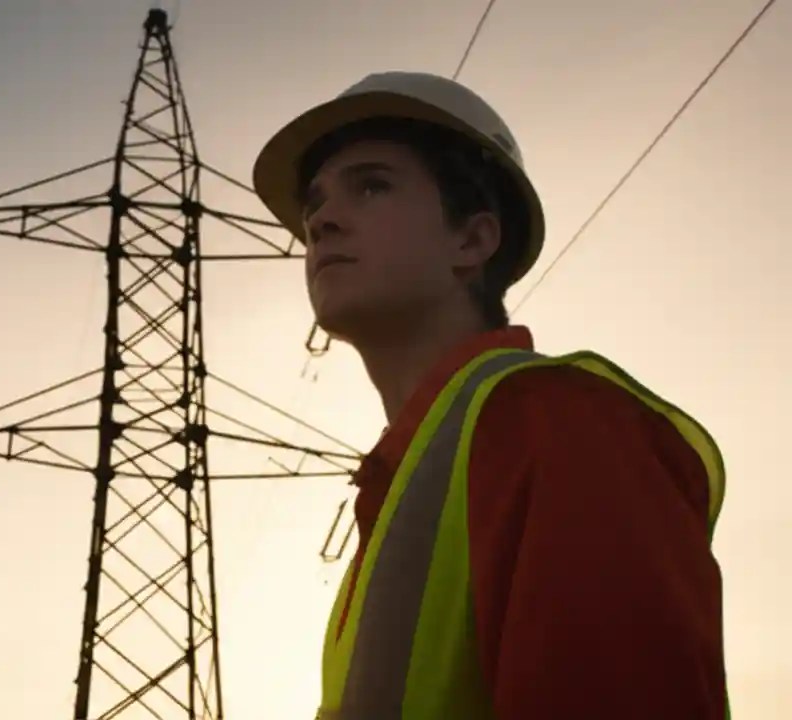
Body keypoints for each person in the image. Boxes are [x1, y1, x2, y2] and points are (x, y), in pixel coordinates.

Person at [251, 71, 729, 719]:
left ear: (472, 240)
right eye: (313, 206)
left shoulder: (561, 425)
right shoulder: (400, 490)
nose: (322, 222)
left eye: (370, 185)